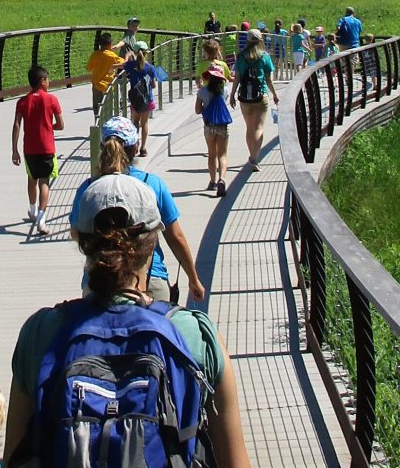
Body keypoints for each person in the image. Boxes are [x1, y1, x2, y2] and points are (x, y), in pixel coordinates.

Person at [4, 175, 276, 468]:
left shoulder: (41, 334)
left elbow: (15, 467)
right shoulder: (193, 335)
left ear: (79, 239)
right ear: (154, 241)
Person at [71, 116, 206, 304]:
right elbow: (175, 237)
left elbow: (77, 233)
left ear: (102, 147)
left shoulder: (88, 188)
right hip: (150, 279)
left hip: (98, 280)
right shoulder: (152, 184)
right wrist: (193, 278)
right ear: (135, 148)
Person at [11, 64, 64, 234]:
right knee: (44, 182)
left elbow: (17, 125)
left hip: (29, 148)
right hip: (47, 148)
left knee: (31, 178)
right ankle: (42, 218)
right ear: (42, 81)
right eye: (48, 79)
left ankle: (32, 209)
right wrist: (49, 126)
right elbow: (61, 125)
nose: (49, 82)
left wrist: (14, 150)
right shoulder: (51, 99)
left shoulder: (22, 102)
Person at [229, 29, 279, 171]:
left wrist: (232, 95)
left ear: (248, 40)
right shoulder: (265, 57)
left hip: (245, 97)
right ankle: (254, 158)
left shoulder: (241, 57)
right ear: (260, 40)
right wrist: (275, 95)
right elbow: (268, 79)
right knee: (258, 128)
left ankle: (251, 154)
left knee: (249, 128)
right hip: (261, 95)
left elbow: (237, 78)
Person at [195, 61, 233, 197]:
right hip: (222, 125)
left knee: (212, 155)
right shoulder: (225, 90)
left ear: (209, 77)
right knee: (222, 154)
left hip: (209, 126)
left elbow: (197, 110)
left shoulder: (202, 92)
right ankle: (222, 179)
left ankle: (212, 182)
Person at [122, 41, 160, 157]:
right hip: (147, 100)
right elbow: (153, 85)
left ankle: (134, 145)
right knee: (144, 123)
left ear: (134, 52)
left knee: (135, 123)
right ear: (146, 53)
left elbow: (122, 65)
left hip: (135, 99)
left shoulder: (131, 65)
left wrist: (127, 56)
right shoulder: (151, 68)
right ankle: (143, 148)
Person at [85, 31, 124, 116]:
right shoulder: (112, 55)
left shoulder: (94, 55)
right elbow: (123, 64)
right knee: (108, 109)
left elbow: (88, 68)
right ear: (110, 44)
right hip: (108, 86)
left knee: (97, 108)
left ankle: (97, 122)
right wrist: (115, 65)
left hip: (96, 85)